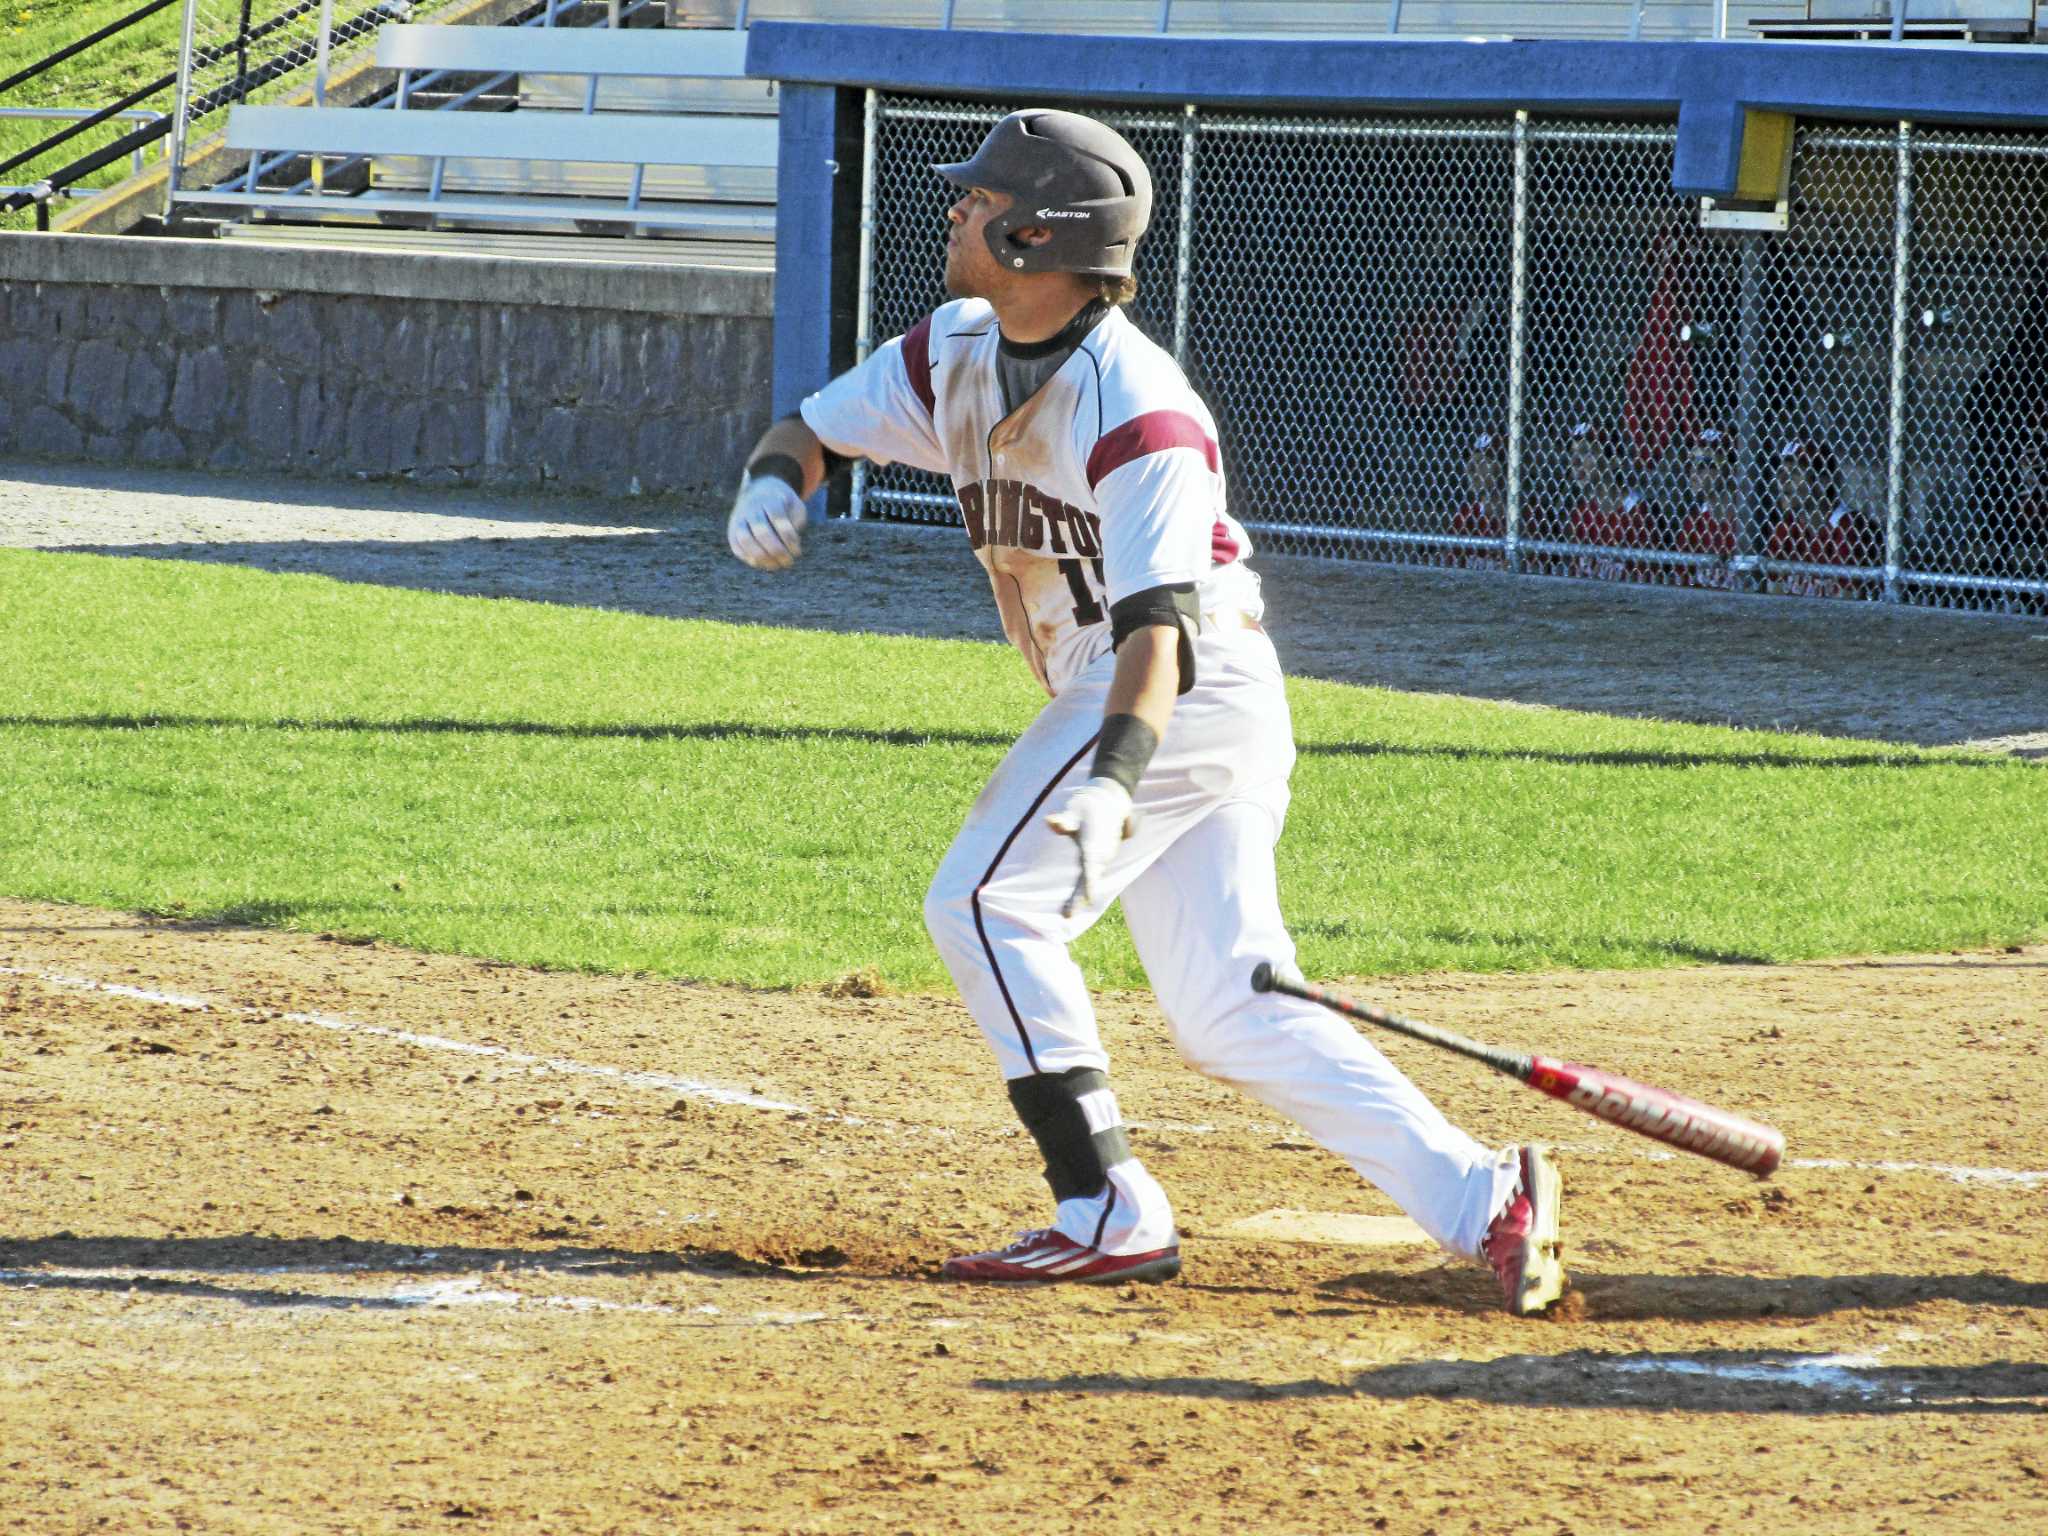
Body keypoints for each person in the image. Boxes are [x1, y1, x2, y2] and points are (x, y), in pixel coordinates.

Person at [724, 109, 1565, 1315]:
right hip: (1158, 693)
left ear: (1031, 236)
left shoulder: (1141, 409)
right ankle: (1486, 1198)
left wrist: (1114, 782)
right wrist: (770, 485)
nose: (953, 211)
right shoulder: (953, 347)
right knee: (1230, 1005)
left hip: (1182, 690)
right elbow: (808, 430)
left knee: (979, 899)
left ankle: (1104, 1206)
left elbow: (1156, 636)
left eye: (977, 201)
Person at [1765, 438, 1879, 599]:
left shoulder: (1849, 527)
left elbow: (1848, 602)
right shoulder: (1786, 528)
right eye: (1780, 472)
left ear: (1823, 483)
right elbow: (1772, 595)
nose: (1783, 481)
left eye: (1795, 473)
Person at [1563, 421, 1655, 583]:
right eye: (1573, 454)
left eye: (1586, 453)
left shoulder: (1639, 512)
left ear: (1614, 461)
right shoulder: (1581, 513)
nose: (1575, 462)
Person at [1668, 426, 1740, 590]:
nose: (1693, 472)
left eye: (1704, 465)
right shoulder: (1693, 523)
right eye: (1691, 463)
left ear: (1731, 470)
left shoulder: (1745, 526)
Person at [1444, 429, 1508, 571]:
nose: (1470, 470)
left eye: (1480, 462)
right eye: (1470, 462)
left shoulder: (1529, 516)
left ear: (1500, 467)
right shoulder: (1465, 515)